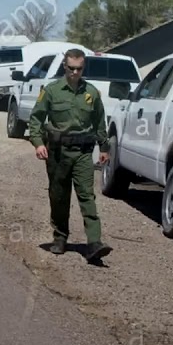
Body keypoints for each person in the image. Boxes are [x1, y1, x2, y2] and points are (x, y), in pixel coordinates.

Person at [27, 48, 113, 263]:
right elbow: (36, 118)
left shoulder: (91, 93)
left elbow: (99, 121)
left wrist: (104, 147)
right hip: (58, 153)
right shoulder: (52, 91)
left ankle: (94, 243)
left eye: (79, 69)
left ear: (84, 68)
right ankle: (60, 237)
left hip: (83, 153)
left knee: (87, 196)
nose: (75, 72)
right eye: (71, 68)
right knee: (59, 196)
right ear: (65, 67)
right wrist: (38, 143)